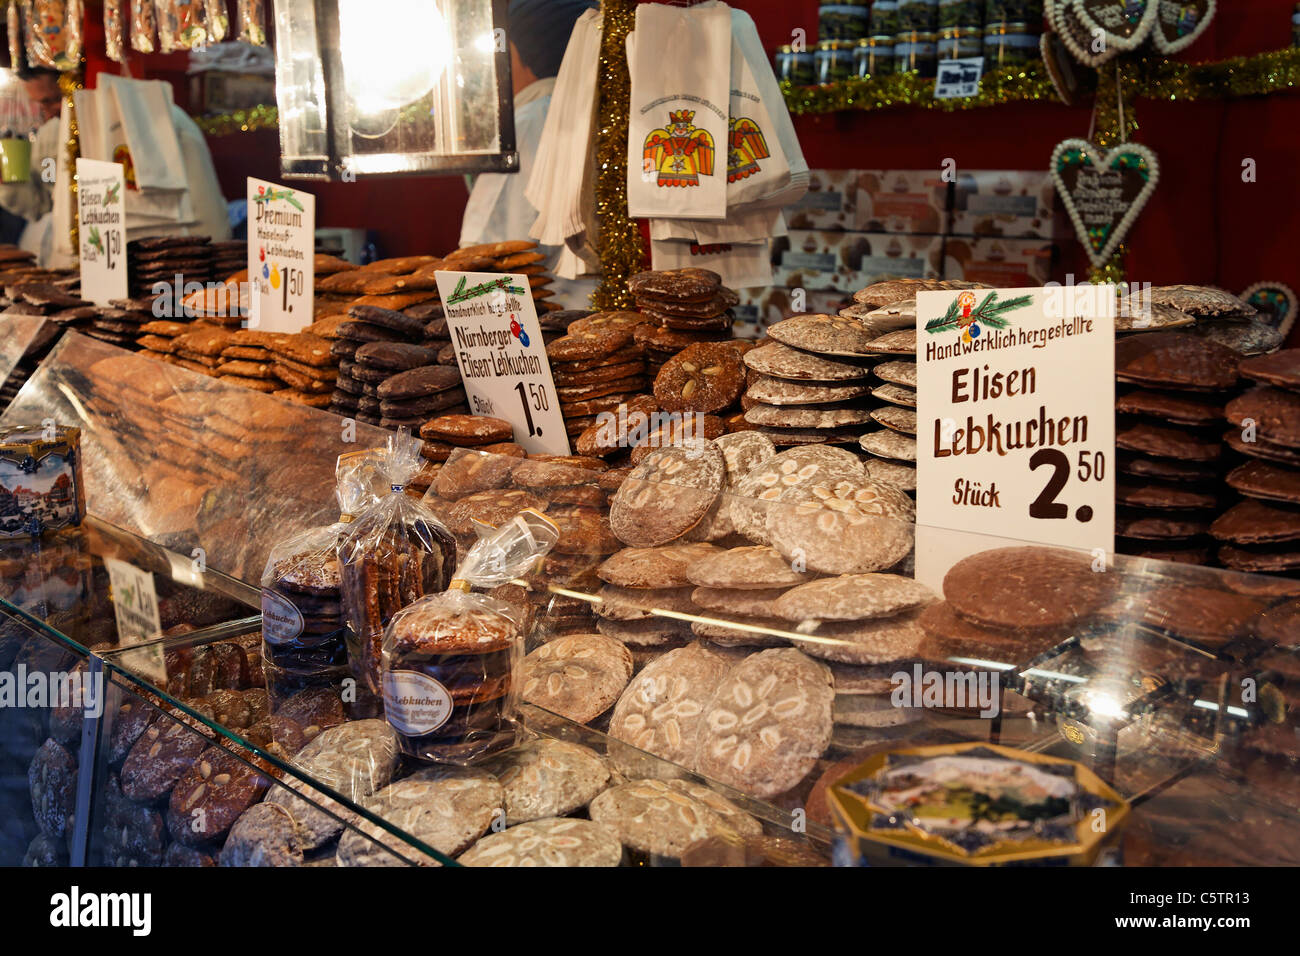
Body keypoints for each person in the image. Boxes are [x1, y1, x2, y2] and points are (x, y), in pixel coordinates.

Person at [2, 68, 230, 267]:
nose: (47, 111)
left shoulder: (147, 119)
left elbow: (161, 207)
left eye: (52, 99)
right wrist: (8, 183)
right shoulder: (52, 133)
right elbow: (42, 201)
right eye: (39, 103)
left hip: (186, 255)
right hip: (119, 258)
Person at [459, 0, 599, 310]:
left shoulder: (527, 123)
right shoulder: (589, 113)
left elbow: (488, 256)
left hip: (545, 326)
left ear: (514, 52)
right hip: (596, 314)